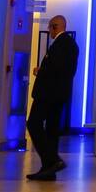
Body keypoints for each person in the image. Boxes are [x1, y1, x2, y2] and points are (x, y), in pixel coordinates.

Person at [26, 15, 79, 181]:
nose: (49, 31)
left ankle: (52, 160)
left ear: (55, 26)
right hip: (58, 94)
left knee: (33, 123)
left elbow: (57, 69)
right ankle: (49, 169)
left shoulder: (62, 44)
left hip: (48, 94)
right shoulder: (70, 44)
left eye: (50, 27)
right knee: (51, 130)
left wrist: (39, 71)